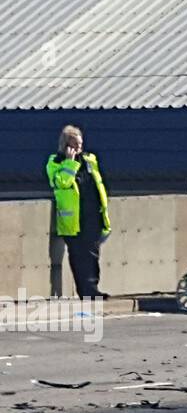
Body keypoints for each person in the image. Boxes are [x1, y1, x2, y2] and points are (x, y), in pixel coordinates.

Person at [45, 125, 112, 300]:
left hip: (92, 215)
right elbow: (61, 183)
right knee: (78, 255)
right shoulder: (55, 162)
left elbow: (98, 183)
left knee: (93, 254)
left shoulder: (90, 160)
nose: (79, 148)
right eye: (75, 145)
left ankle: (93, 288)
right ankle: (86, 290)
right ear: (66, 146)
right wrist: (70, 162)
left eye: (80, 144)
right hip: (73, 219)